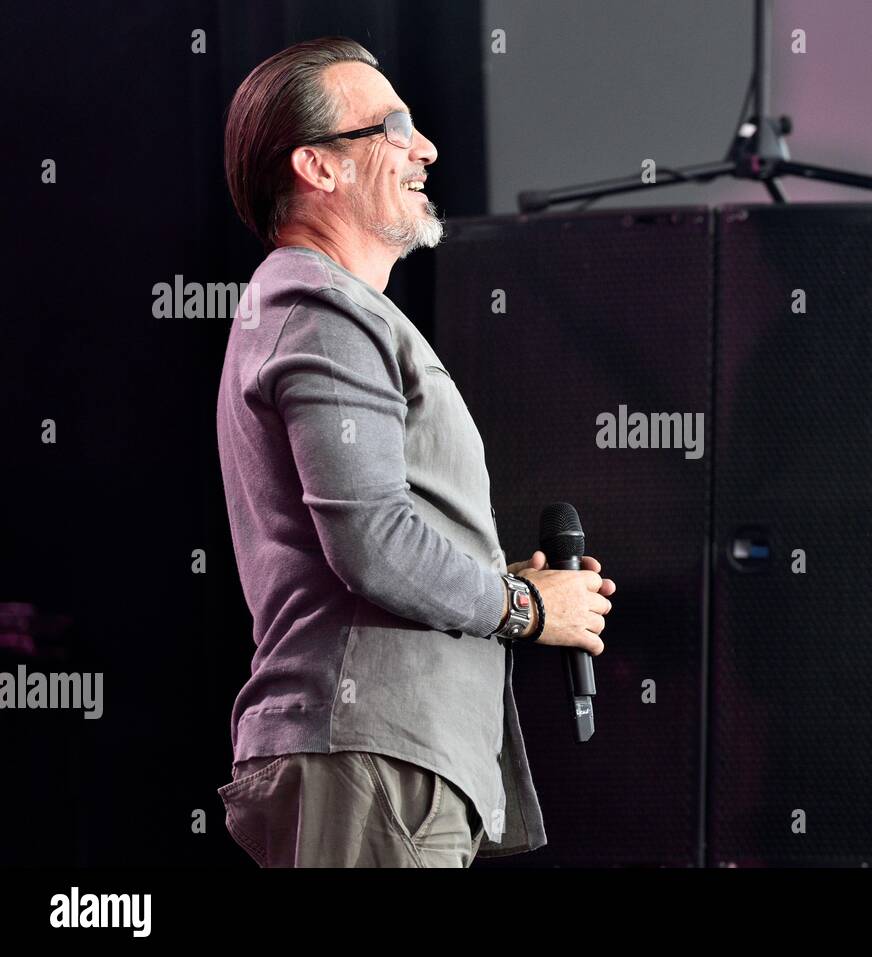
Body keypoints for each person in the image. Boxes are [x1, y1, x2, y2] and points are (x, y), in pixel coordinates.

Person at [214, 36, 614, 867]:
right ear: (318, 169)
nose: (425, 146)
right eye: (391, 126)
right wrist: (528, 608)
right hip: (366, 753)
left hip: (386, 763)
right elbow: (374, 540)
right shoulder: (319, 307)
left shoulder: (332, 310)